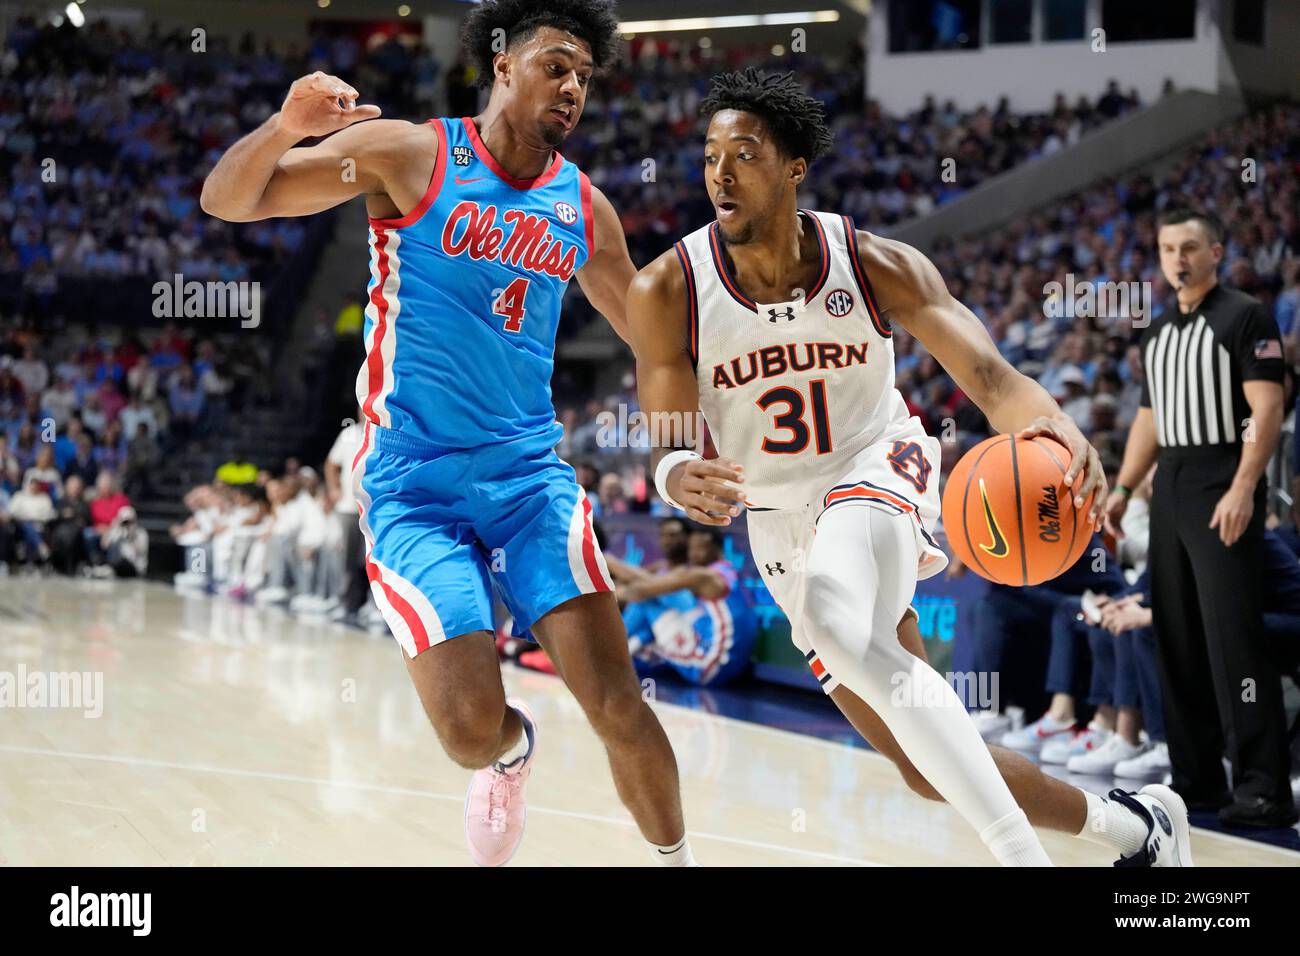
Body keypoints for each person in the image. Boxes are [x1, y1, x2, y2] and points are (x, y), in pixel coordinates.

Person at [627, 68, 1188, 867]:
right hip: (779, 522)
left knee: (833, 608)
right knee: (925, 767)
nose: (720, 171)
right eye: (710, 154)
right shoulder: (668, 288)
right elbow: (671, 434)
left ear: (792, 167)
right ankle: (1137, 826)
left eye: (743, 153)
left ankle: (1022, 860)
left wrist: (1057, 426)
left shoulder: (875, 263)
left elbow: (993, 382)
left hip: (875, 466)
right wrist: (675, 471)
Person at [201, 0, 693, 867]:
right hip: (414, 487)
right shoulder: (410, 153)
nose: (574, 86)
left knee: (619, 704)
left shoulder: (584, 207)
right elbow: (230, 200)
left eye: (585, 75)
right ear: (502, 63)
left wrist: (690, 443)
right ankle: (508, 755)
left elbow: (652, 341)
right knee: (468, 732)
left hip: (528, 483)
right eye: (557, 65)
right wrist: (286, 125)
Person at [1105, 208, 1296, 828]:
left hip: (1223, 479)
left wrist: (1246, 487)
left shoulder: (1246, 316)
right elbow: (1150, 420)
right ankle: (1197, 782)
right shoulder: (1156, 332)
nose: (1177, 259)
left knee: (1233, 641)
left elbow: (1266, 409)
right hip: (1174, 488)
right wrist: (1125, 487)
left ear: (1216, 252)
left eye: (1190, 247)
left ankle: (1264, 789)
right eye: (1167, 249)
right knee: (1179, 639)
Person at [612, 525, 757, 687]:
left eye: (701, 548)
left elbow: (642, 590)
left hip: (709, 664)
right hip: (730, 665)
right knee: (651, 630)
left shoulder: (703, 576)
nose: (694, 554)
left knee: (647, 602)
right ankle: (620, 651)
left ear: (718, 549)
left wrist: (611, 570)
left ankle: (611, 652)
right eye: (692, 549)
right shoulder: (728, 571)